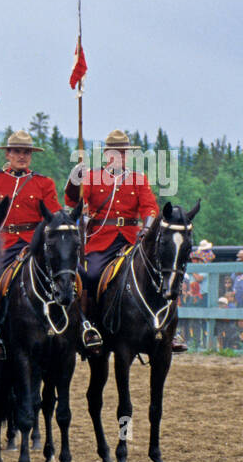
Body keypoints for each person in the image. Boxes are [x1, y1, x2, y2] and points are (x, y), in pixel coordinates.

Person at [60, 129, 186, 354]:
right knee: (91, 275)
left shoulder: (138, 179)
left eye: (124, 152)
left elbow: (149, 207)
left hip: (132, 239)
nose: (120, 155)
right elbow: (72, 200)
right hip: (101, 240)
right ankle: (89, 324)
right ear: (107, 154)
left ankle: (168, 327)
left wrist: (147, 228)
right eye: (115, 151)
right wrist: (74, 179)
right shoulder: (92, 177)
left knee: (161, 273)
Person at [0, 130, 61, 359]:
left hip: (34, 245)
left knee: (67, 278)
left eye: (26, 152)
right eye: (17, 151)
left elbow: (53, 216)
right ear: (7, 153)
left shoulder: (43, 183)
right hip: (2, 244)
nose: (22, 156)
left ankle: (77, 327)